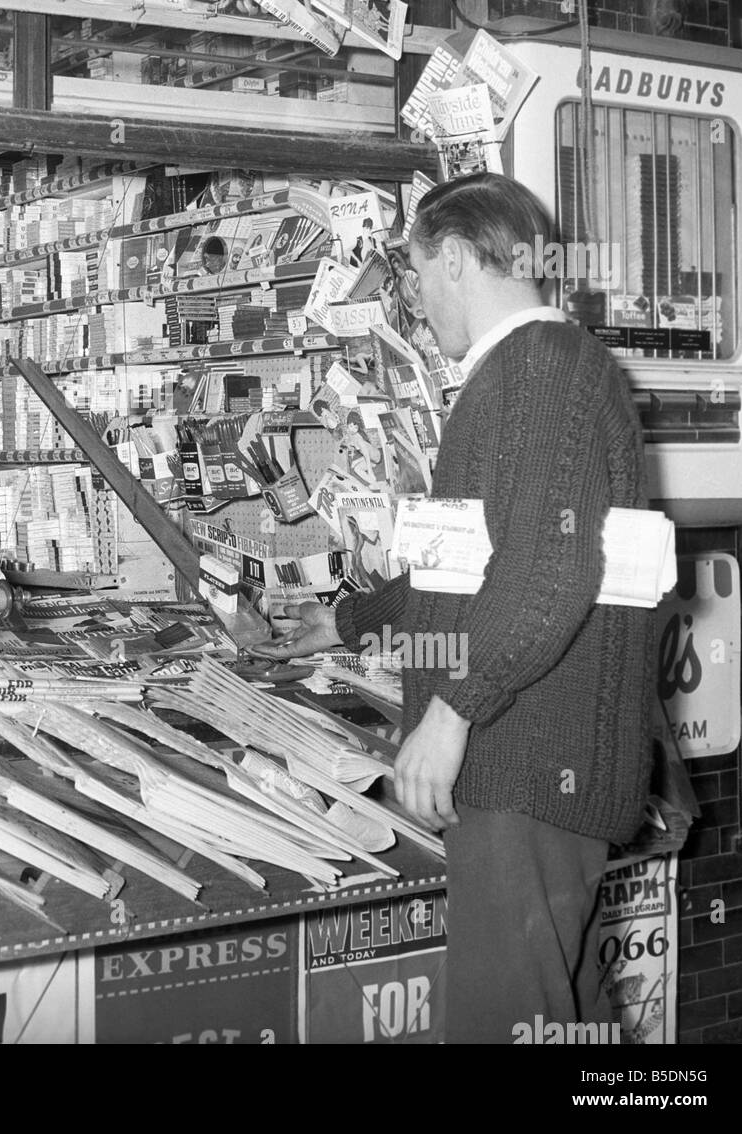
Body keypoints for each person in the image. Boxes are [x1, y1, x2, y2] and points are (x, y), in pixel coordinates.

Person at [255, 173, 658, 1043]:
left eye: (410, 274)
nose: (414, 299)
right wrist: (348, 621)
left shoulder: (538, 371)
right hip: (540, 768)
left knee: (503, 1021)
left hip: (525, 767)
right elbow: (469, 567)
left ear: (449, 258)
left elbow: (546, 575)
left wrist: (450, 713)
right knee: (568, 1025)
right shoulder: (527, 372)